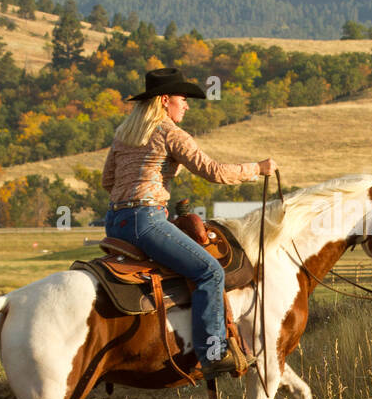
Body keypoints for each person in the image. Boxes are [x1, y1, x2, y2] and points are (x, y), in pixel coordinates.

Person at [102, 67, 277, 378]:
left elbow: (108, 181)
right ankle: (213, 352)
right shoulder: (170, 133)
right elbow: (214, 172)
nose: (187, 105)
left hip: (115, 222)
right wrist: (258, 168)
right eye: (183, 99)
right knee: (209, 271)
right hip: (146, 220)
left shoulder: (124, 134)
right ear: (165, 100)